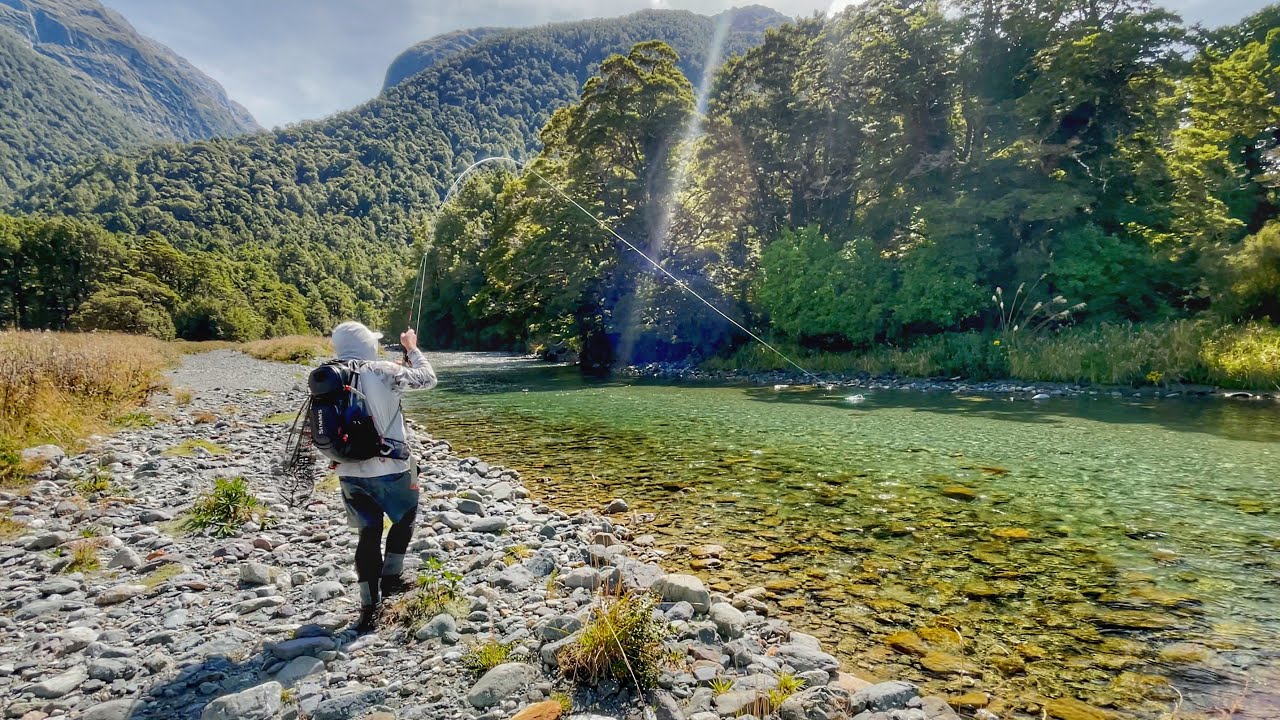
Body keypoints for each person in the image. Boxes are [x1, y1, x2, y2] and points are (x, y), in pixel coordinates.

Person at [328, 321, 437, 632]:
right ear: (367, 344)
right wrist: (411, 348)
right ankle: (392, 578)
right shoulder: (383, 370)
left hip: (347, 470)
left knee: (368, 531)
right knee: (406, 515)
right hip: (391, 467)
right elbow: (428, 379)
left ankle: (368, 606)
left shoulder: (326, 375)